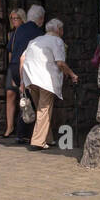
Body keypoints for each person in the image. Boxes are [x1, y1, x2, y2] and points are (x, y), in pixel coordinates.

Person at [20, 18, 78, 151]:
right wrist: (72, 74)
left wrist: (23, 82)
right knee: (43, 110)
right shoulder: (57, 41)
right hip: (45, 79)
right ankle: (38, 142)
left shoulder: (34, 41)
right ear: (58, 30)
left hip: (31, 78)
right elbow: (60, 63)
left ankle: (48, 138)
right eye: (62, 29)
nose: (63, 32)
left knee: (41, 110)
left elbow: (22, 58)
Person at [7, 4, 44, 144]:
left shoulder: (18, 30)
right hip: (28, 68)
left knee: (25, 99)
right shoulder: (38, 32)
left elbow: (11, 50)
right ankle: (26, 134)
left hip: (15, 67)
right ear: (40, 19)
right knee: (31, 101)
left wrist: (12, 71)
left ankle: (22, 133)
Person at [2, 8, 25, 138]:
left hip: (25, 66)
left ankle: (22, 128)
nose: (14, 21)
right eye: (12, 18)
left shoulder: (27, 32)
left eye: (16, 18)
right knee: (10, 93)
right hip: (14, 66)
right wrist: (11, 68)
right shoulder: (12, 34)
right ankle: (9, 126)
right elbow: (10, 53)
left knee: (24, 96)